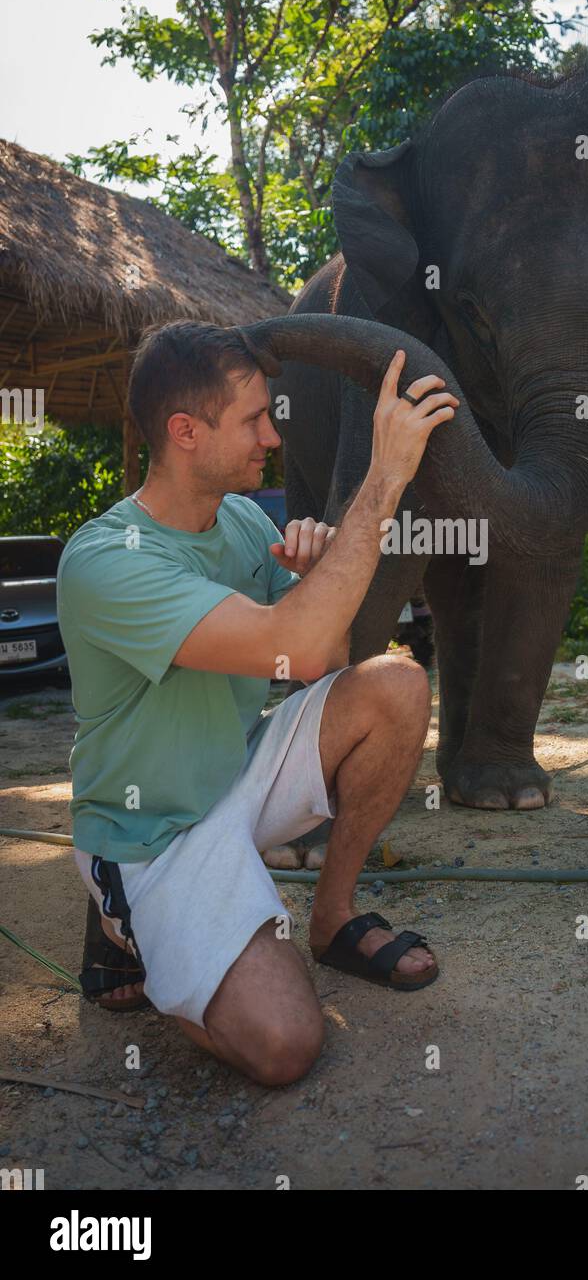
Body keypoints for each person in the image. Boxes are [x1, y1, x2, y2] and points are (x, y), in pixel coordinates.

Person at [57, 321, 459, 1086]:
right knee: (283, 1048)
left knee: (396, 685)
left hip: (237, 777)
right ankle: (133, 928)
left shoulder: (240, 519)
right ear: (185, 432)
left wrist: (311, 576)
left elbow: (327, 663)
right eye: (252, 419)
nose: (272, 437)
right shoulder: (107, 561)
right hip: (154, 833)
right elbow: (301, 647)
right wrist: (385, 479)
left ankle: (332, 917)